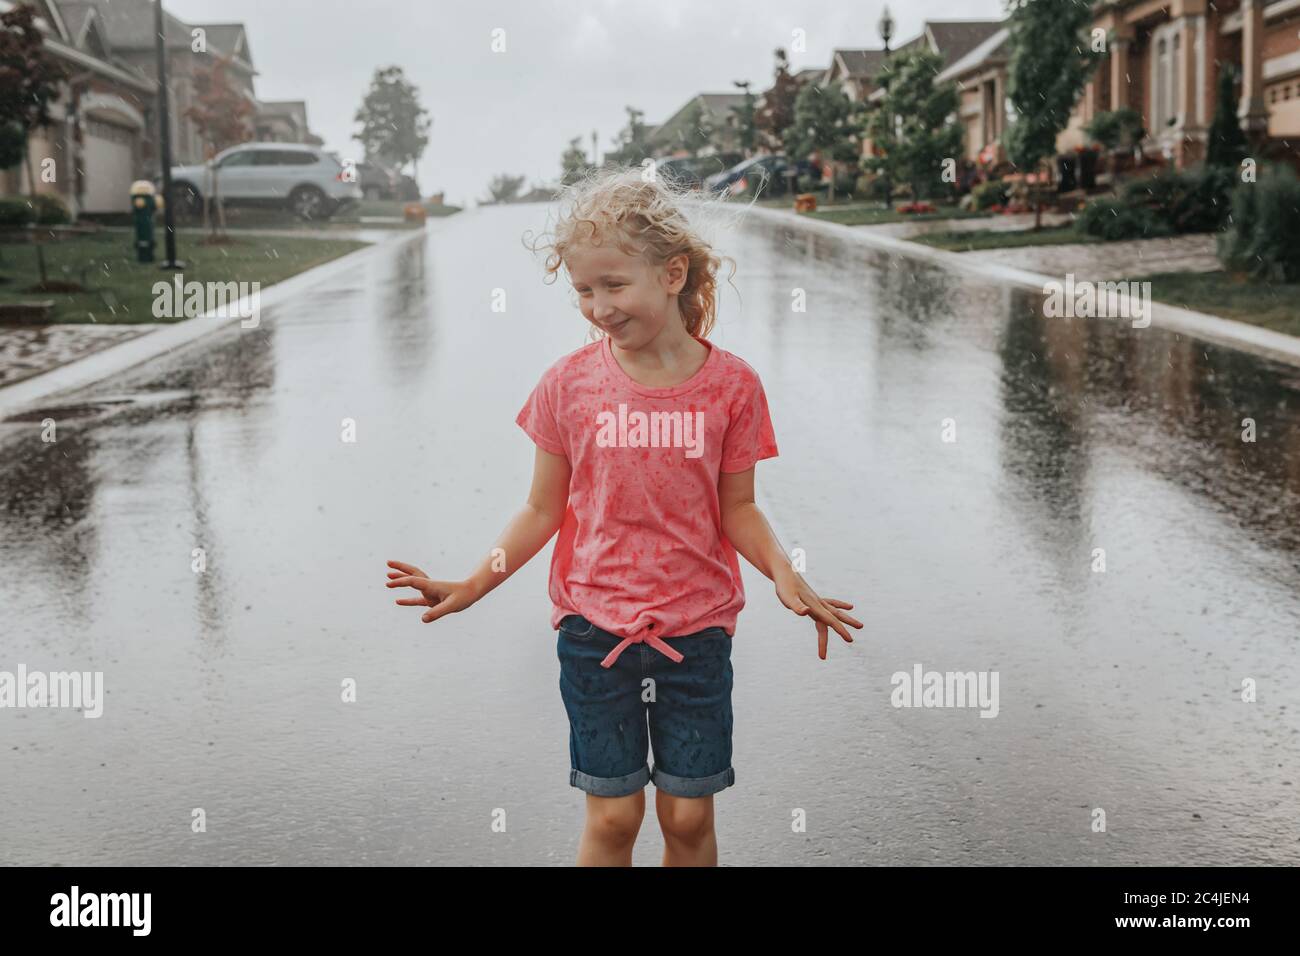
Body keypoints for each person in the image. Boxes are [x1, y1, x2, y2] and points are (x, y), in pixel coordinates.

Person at [385, 166, 861, 866]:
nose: (598, 306)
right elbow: (542, 508)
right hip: (593, 635)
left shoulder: (732, 387)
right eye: (583, 289)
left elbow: (740, 509)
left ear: (672, 274)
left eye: (614, 285)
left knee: (688, 820)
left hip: (695, 637)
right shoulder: (568, 385)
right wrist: (471, 584)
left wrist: (785, 575)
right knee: (613, 820)